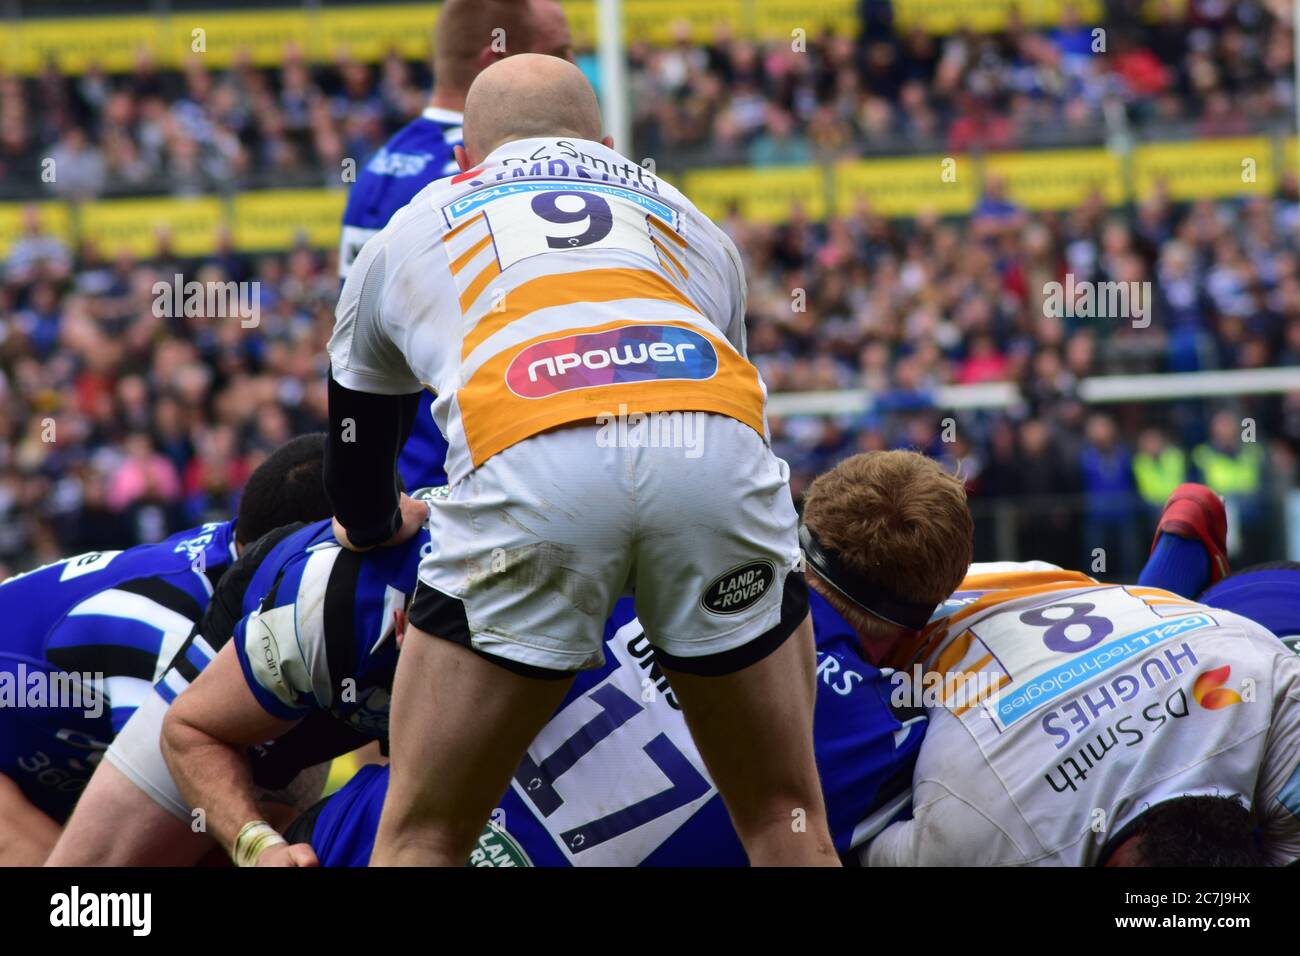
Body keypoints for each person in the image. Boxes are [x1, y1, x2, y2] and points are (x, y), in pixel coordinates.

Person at [327, 55, 835, 865]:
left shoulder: (413, 222)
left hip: (531, 455)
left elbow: (353, 448)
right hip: (709, 454)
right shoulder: (687, 215)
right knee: (783, 819)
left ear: (466, 158)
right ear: (606, 146)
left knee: (424, 836)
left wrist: (373, 524)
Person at [281, 452, 972, 866]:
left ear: (807, 522)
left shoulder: (635, 558)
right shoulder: (880, 736)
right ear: (916, 620)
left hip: (351, 837)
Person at [1, 434, 332, 865]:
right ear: (304, 553)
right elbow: (148, 819)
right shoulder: (164, 620)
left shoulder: (239, 558)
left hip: (46, 760)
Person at [865, 552, 1300, 865]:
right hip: (888, 619)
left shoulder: (1277, 686)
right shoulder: (990, 839)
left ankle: (1176, 556)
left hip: (1026, 582)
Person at [338, 0, 574, 491]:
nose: (572, 73)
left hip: (408, 482)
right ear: (497, 59)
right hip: (487, 477)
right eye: (557, 54)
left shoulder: (382, 164)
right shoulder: (487, 176)